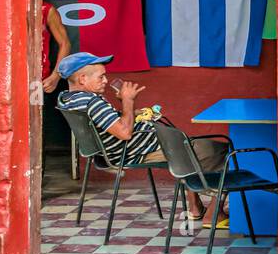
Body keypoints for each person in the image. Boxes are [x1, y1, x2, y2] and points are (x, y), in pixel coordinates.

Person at [55, 52, 228, 228]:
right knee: (222, 150)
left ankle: (195, 208)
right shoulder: (92, 102)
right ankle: (214, 214)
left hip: (128, 148)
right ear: (83, 79)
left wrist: (132, 112)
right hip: (136, 151)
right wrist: (128, 101)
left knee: (186, 146)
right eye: (101, 77)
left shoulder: (68, 99)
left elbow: (111, 123)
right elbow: (124, 133)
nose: (106, 80)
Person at [40, 2, 72, 93]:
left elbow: (65, 44)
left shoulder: (45, 9)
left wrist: (56, 76)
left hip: (41, 79)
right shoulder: (2, 8)